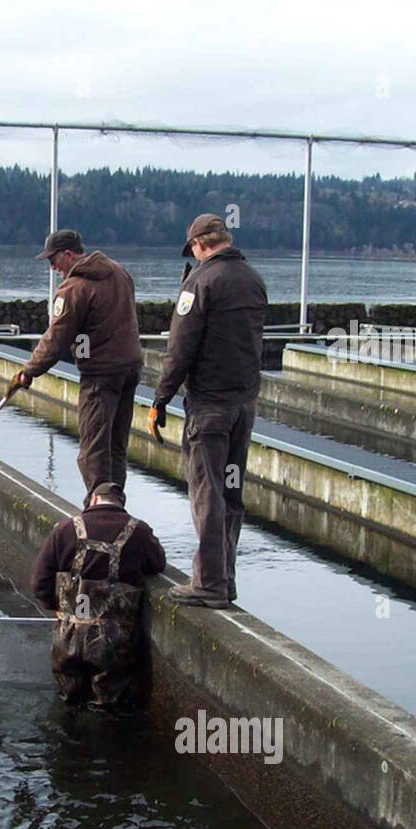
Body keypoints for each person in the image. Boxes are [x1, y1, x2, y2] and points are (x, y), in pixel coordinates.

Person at [151, 213, 268, 608]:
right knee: (231, 493)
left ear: (199, 244)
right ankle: (226, 579)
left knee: (207, 493)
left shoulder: (200, 282)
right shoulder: (253, 279)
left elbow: (179, 349)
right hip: (244, 405)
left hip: (210, 408)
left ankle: (209, 583)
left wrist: (160, 399)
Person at [9, 229, 143, 503]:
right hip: (130, 368)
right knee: (116, 445)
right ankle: (115, 505)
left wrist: (28, 371)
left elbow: (56, 340)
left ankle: (99, 508)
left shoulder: (74, 288)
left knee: (93, 449)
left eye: (53, 259)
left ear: (68, 254)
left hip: (100, 374)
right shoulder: (120, 272)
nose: (52, 266)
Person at [31, 481, 166, 710]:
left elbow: (39, 583)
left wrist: (59, 607)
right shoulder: (139, 531)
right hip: (114, 642)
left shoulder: (65, 529)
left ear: (92, 500)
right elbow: (158, 563)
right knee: (110, 710)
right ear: (121, 504)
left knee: (70, 703)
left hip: (69, 636)